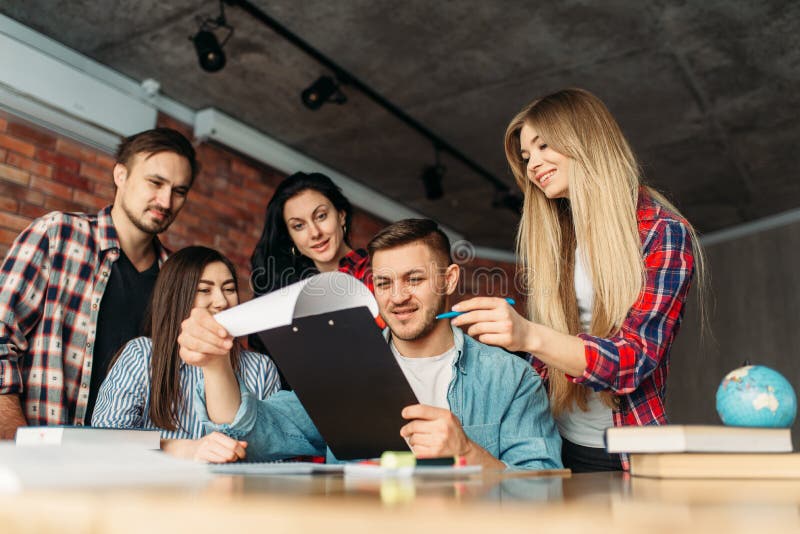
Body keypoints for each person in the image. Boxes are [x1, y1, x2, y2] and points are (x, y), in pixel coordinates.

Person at [450, 88, 704, 472]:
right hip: (552, 440)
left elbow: (633, 360)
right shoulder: (557, 236)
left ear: (585, 139)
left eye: (543, 145)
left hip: (627, 450)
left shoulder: (662, 232)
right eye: (526, 156)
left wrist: (527, 335)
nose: (533, 164)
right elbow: (546, 359)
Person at [178, 219, 562, 470]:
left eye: (414, 279)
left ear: (448, 279)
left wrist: (467, 452)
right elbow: (254, 433)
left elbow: (542, 490)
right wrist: (215, 364)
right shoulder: (344, 373)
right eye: (383, 283)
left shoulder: (512, 378)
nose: (397, 297)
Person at [0, 127, 198, 439]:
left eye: (179, 191)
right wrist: (15, 442)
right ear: (121, 175)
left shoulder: (176, 278)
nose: (166, 200)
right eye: (155, 182)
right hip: (41, 451)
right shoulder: (57, 234)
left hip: (130, 459)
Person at [92, 246, 280, 462]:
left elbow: (277, 457)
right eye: (204, 290)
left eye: (229, 289)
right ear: (177, 297)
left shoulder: (262, 369)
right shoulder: (142, 356)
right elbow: (105, 441)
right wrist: (178, 449)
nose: (221, 301)